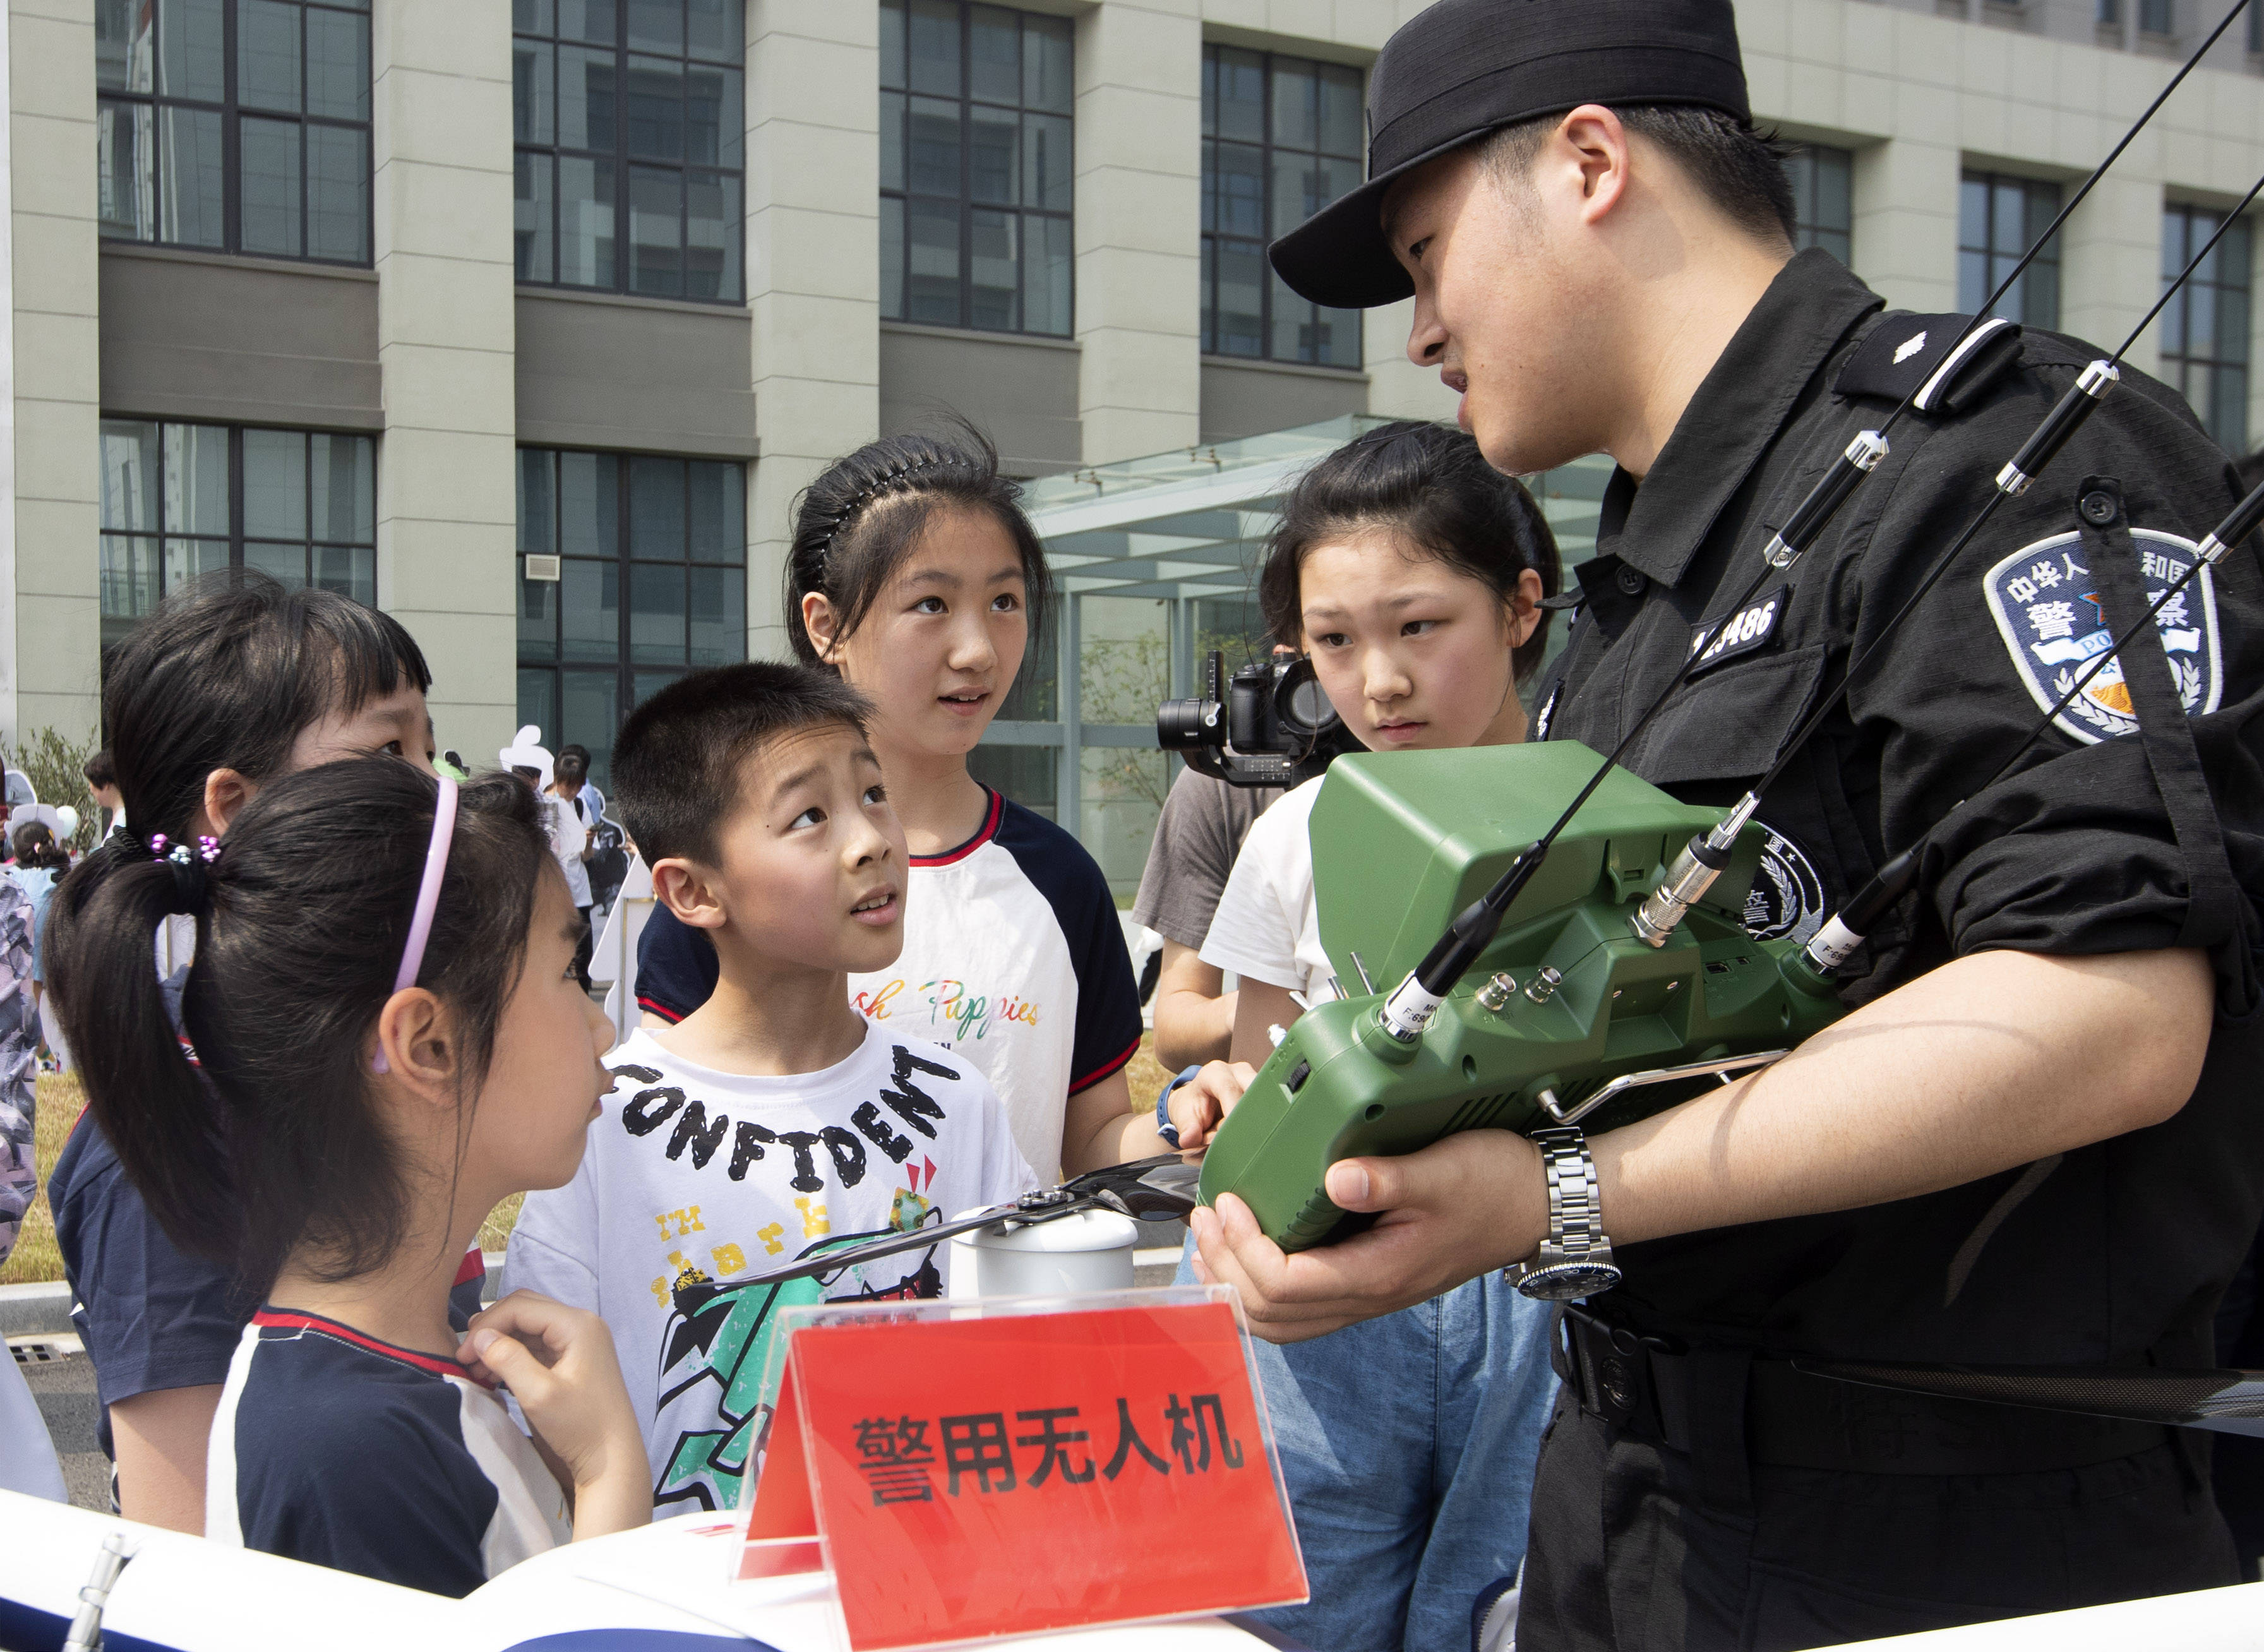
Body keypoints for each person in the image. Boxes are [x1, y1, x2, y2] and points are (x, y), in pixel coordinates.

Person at [1190, 2, 2264, 1648]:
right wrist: (1365, 1136)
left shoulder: (1992, 464)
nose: (1421, 330)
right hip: (1621, 1486)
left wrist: (1548, 1199)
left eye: (1427, 256)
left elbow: (2107, 1011)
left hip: (1947, 1530)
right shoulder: (1637, 595)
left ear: (1591, 163)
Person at [48, 758, 648, 1594]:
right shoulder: (347, 1448)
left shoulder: (370, 1385)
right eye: (566, 974)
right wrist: (608, 1475)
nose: (599, 1027)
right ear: (427, 1045)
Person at [1161, 422, 1563, 1652]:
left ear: (1520, 608)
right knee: (1279, 1611)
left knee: (1512, 1612)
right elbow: (1264, 1057)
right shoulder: (1293, 833)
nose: (1377, 680)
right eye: (1334, 642)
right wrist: (1227, 1094)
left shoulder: (1614, 805)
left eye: (1417, 627)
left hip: (1544, 1279)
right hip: (1317, 1282)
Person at [501, 663, 1034, 1514]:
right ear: (691, 890)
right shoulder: (603, 1119)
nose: (873, 841)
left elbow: (1017, 1363)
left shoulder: (955, 1103)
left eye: (873, 795)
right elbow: (541, 1405)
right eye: (810, 817)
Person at [631, 428, 1151, 1184]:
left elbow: (1090, 1143)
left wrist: (1186, 1123)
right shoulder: (745, 878)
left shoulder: (1060, 878)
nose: (978, 649)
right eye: (932, 603)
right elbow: (670, 1131)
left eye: (1005, 601)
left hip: (1001, 1303)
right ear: (827, 626)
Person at [44, 570, 450, 1536]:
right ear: (232, 805)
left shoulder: (363, 1059)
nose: (436, 792)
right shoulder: (165, 1139)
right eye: (390, 748)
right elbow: (184, 1556)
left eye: (431, 749)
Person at [9, 821, 69, 1053]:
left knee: (32, 1008)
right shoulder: (63, 875)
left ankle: (42, 1053)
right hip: (58, 955)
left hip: (21, 958)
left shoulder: (12, 878)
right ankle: (47, 1054)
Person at [83, 750, 123, 839]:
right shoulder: (120, 817)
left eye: (91, 781)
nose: (91, 789)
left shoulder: (123, 820)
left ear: (105, 783)